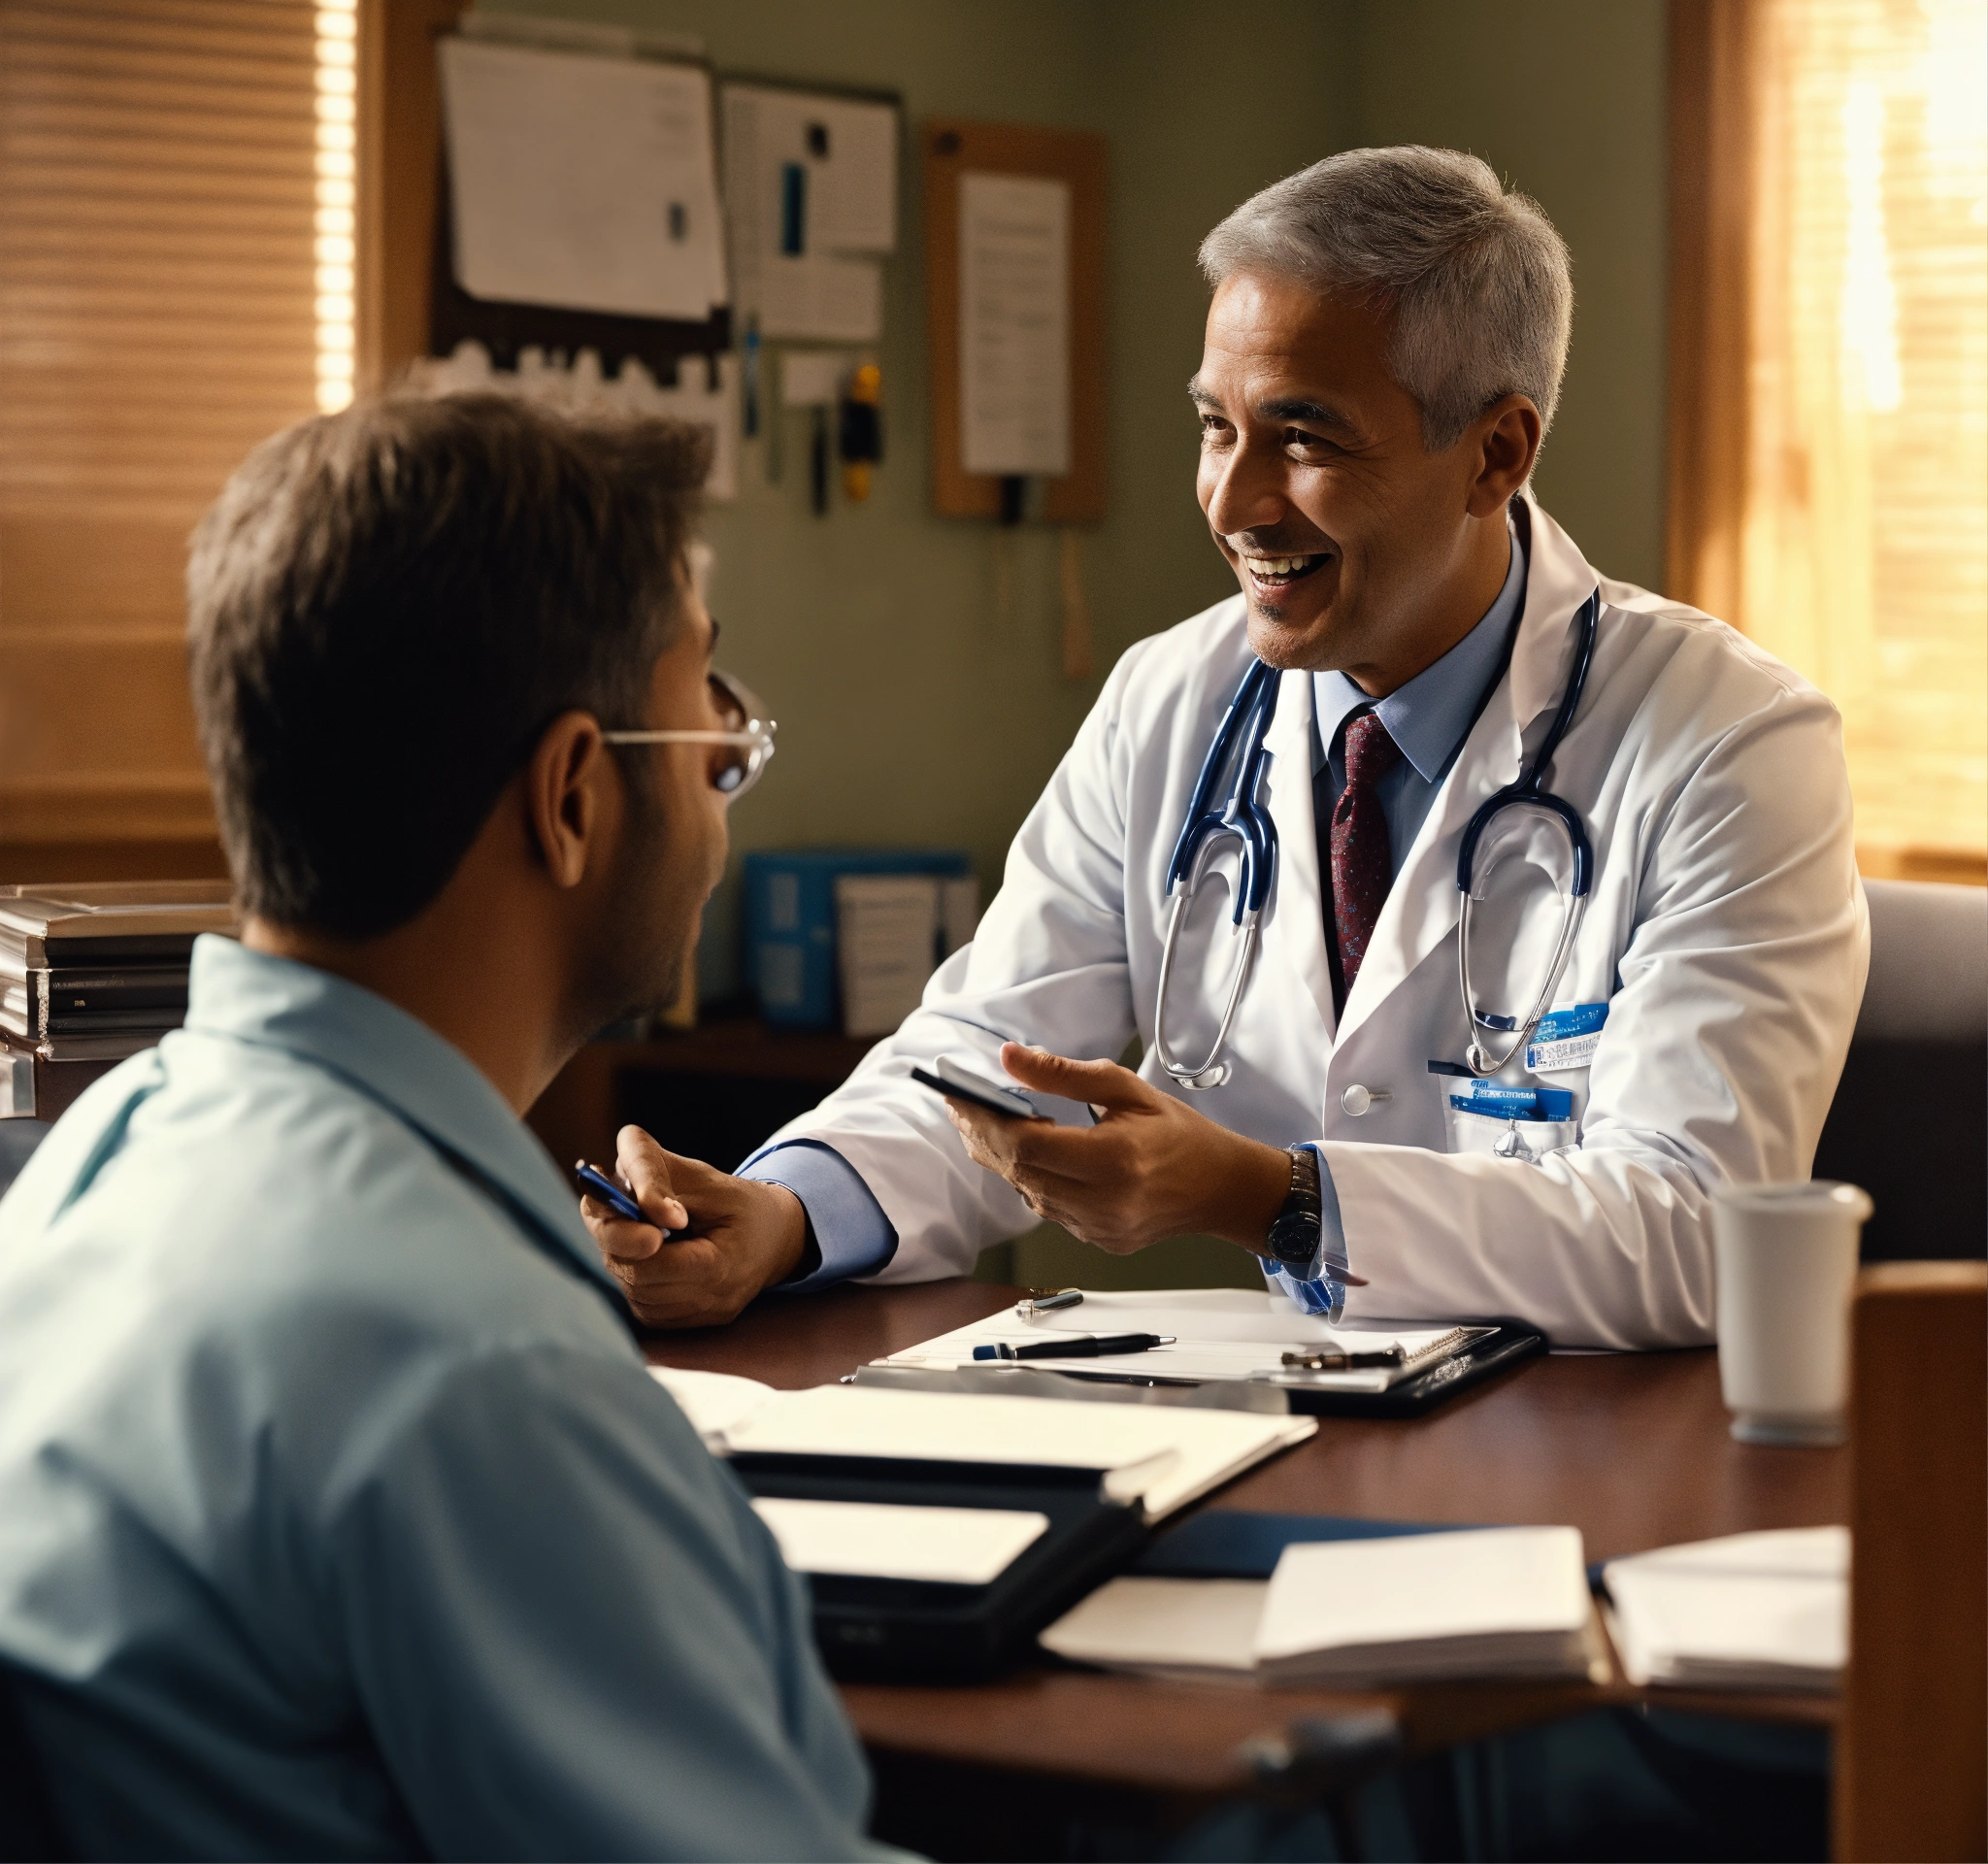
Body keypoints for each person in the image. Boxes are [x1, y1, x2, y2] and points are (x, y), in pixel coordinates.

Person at [590, 147, 1867, 1351]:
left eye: (1303, 437)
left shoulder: (1731, 745)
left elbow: (1699, 1227)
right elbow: (992, 1060)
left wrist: (1273, 1199)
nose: (1234, 500)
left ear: (1495, 454)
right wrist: (786, 1214)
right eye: (1216, 427)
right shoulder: (1171, 698)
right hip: (1271, 1418)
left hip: (1587, 1445)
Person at [0, 396, 889, 1859]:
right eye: (707, 730)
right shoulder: (478, 1363)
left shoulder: (96, 1168)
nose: (724, 779)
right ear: (571, 798)